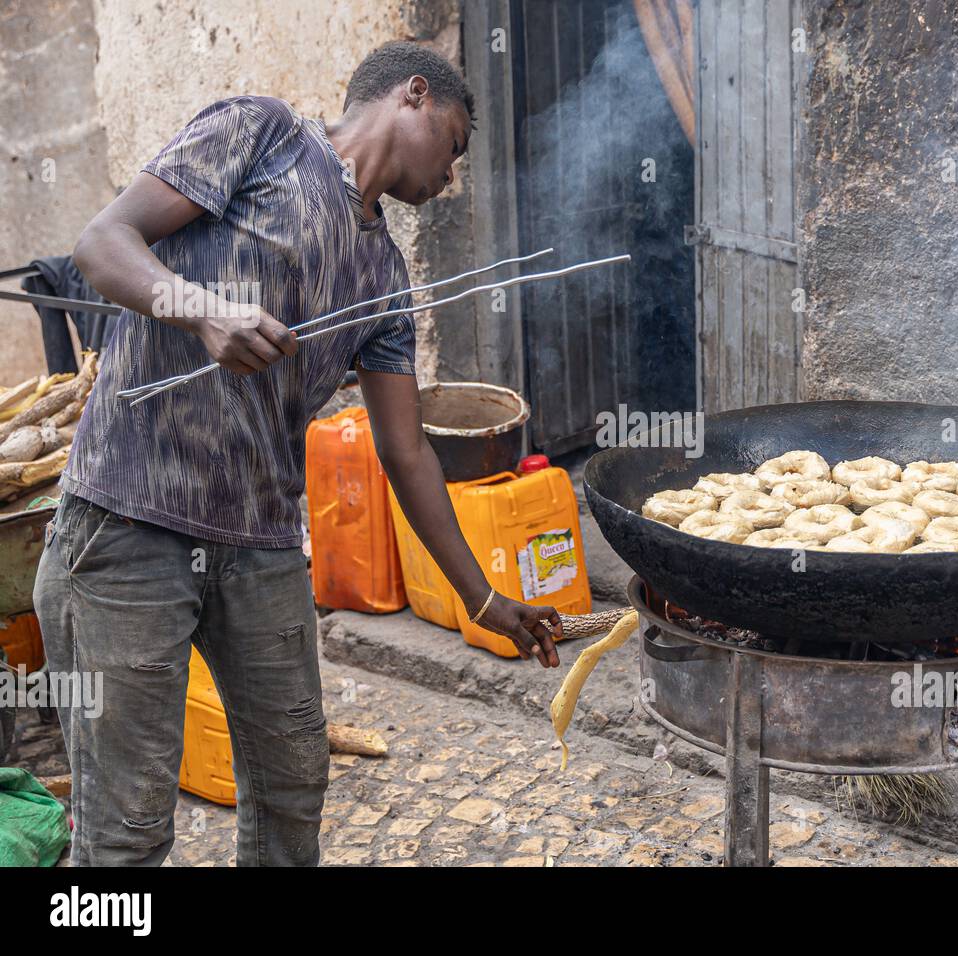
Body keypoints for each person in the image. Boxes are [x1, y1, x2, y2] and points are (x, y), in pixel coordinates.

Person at [34, 42, 562, 867]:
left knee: (292, 790)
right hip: (127, 525)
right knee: (126, 830)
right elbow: (102, 242)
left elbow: (407, 453)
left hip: (259, 550)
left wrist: (483, 599)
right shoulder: (263, 135)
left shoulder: (386, 277)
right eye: (455, 145)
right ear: (413, 96)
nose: (451, 178)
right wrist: (202, 312)